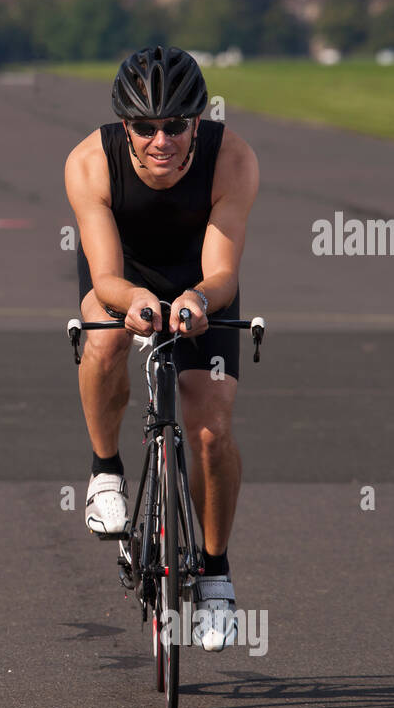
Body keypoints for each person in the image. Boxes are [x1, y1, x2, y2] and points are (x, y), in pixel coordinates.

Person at [64, 46, 259, 651]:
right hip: (124, 274)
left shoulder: (233, 158)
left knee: (210, 430)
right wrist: (138, 303)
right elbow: (104, 279)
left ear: (197, 122)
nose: (160, 139)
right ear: (124, 126)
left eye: (175, 125)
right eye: (144, 127)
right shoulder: (89, 162)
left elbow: (222, 273)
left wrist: (198, 300)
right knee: (102, 342)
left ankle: (216, 573)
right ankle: (105, 471)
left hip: (202, 283)